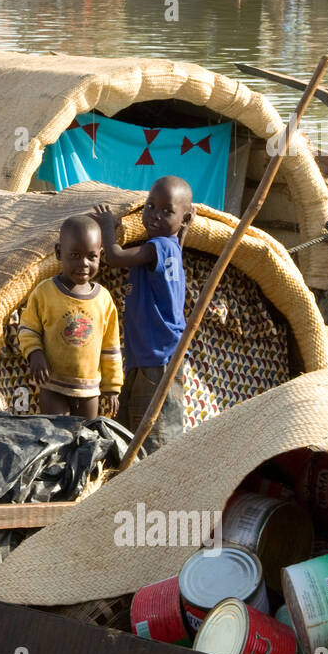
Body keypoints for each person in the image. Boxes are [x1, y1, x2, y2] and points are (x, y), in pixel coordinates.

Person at [91, 176, 194, 453]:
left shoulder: (156, 247)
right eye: (150, 206)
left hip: (156, 355)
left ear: (182, 219)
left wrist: (107, 228)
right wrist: (183, 230)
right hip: (149, 353)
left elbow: (113, 257)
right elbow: (175, 244)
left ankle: (158, 486)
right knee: (134, 423)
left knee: (154, 432)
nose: (155, 216)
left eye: (166, 211)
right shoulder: (171, 246)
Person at [17, 216, 122, 421]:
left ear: (100, 255)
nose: (83, 263)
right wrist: (35, 354)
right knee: (53, 434)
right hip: (53, 383)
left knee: (85, 439)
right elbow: (28, 328)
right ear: (58, 252)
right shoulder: (45, 292)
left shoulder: (103, 300)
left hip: (89, 389)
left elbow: (111, 346)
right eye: (74, 255)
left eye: (91, 257)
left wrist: (112, 387)